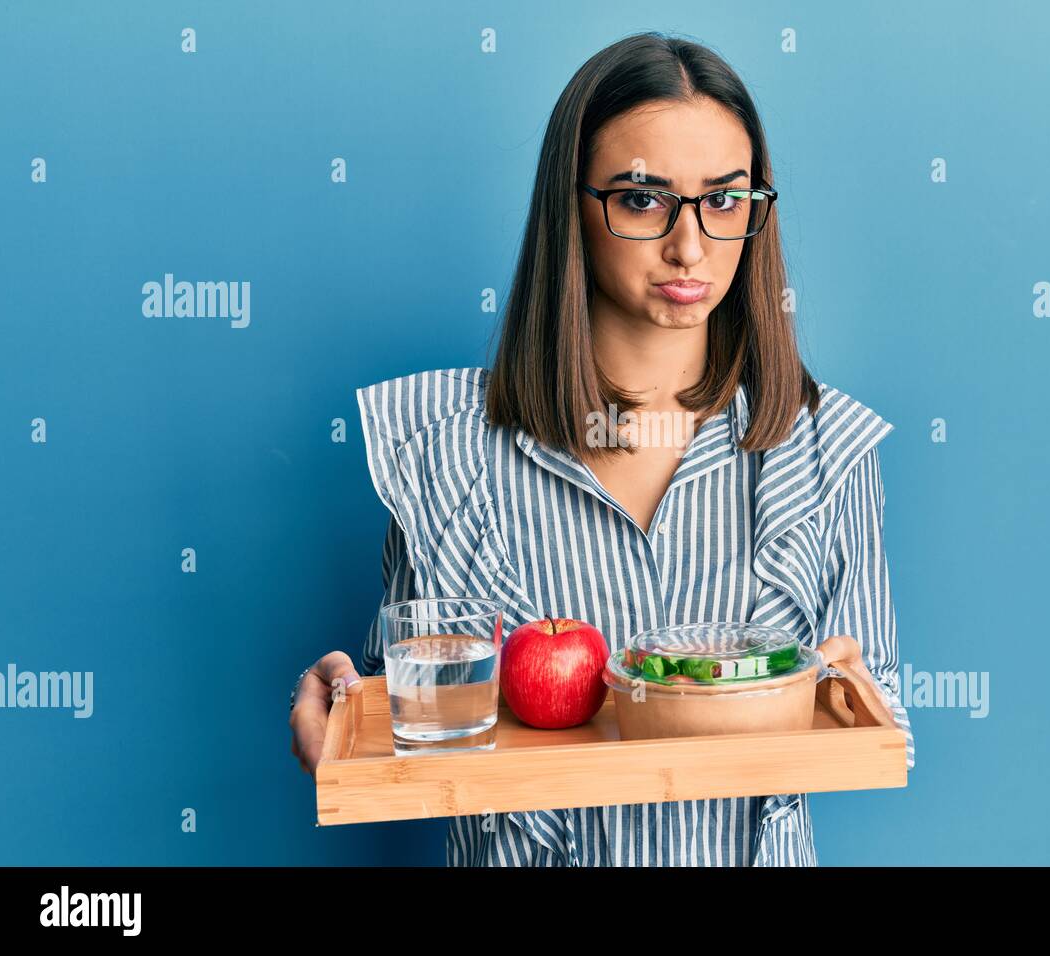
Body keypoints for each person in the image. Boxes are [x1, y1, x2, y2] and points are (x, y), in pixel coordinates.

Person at [289, 31, 913, 866]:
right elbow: (415, 705)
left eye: (725, 201)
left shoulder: (828, 446)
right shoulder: (437, 449)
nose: (690, 247)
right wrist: (339, 703)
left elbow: (885, 721)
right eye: (644, 198)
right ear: (571, 206)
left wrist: (848, 695)